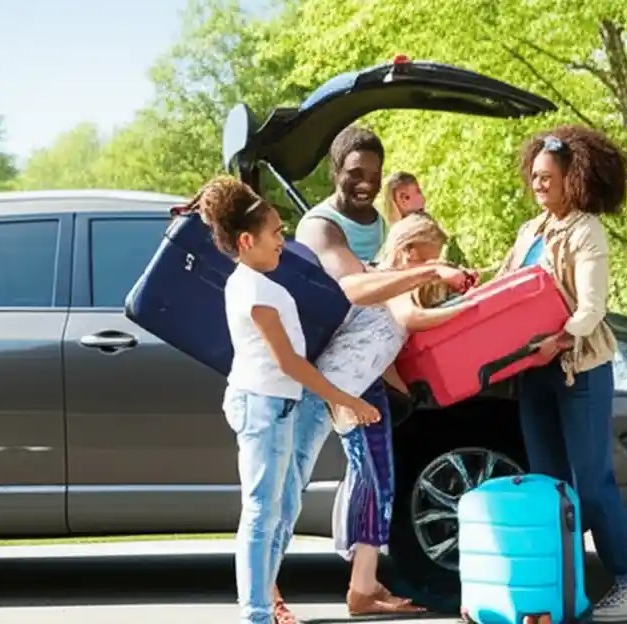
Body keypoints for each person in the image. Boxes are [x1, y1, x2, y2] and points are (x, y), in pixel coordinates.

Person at [268, 125, 459, 620]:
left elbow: (391, 292)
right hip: (316, 374)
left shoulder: (377, 221)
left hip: (362, 369)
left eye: (373, 175)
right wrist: (428, 274)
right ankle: (263, 592)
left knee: (378, 477)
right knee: (289, 485)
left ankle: (364, 585)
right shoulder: (321, 225)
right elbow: (355, 287)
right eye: (356, 173)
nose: (365, 184)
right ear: (336, 171)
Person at [189, 176, 383, 624]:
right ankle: (256, 613)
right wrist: (344, 399)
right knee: (261, 511)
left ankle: (262, 603)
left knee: (284, 506)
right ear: (246, 239)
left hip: (276, 404)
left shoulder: (259, 282)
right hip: (263, 406)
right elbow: (290, 363)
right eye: (276, 233)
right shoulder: (255, 291)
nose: (283, 241)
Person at [494, 125, 627, 623]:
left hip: (578, 368)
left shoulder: (587, 230)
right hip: (534, 372)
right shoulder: (531, 230)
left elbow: (592, 308)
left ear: (574, 180)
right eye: (535, 177)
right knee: (548, 485)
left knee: (592, 482)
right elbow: (506, 290)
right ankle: (559, 587)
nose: (539, 185)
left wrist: (559, 341)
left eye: (548, 178)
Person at [316, 213, 478, 617]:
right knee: (373, 481)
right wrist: (468, 309)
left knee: (379, 480)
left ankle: (365, 583)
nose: (432, 270)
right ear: (408, 253)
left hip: (364, 384)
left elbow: (388, 341)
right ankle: (361, 588)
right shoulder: (389, 280)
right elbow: (410, 319)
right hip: (347, 387)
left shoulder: (394, 283)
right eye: (429, 259)